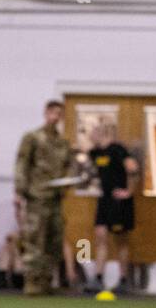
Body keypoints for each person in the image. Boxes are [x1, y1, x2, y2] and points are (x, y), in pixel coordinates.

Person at [14, 100, 76, 295]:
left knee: (54, 240)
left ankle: (46, 279)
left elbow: (69, 166)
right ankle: (32, 280)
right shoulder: (32, 137)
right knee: (35, 238)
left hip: (55, 198)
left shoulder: (63, 142)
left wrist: (68, 182)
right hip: (36, 195)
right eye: (53, 112)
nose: (56, 117)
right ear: (46, 113)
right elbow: (22, 164)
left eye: (59, 113)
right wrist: (19, 191)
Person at [87, 123, 140, 294]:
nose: (90, 135)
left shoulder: (118, 149)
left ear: (102, 133)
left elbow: (133, 168)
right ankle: (98, 278)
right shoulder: (96, 153)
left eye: (93, 132)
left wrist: (129, 192)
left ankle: (124, 279)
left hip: (119, 201)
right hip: (105, 199)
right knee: (100, 236)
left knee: (120, 241)